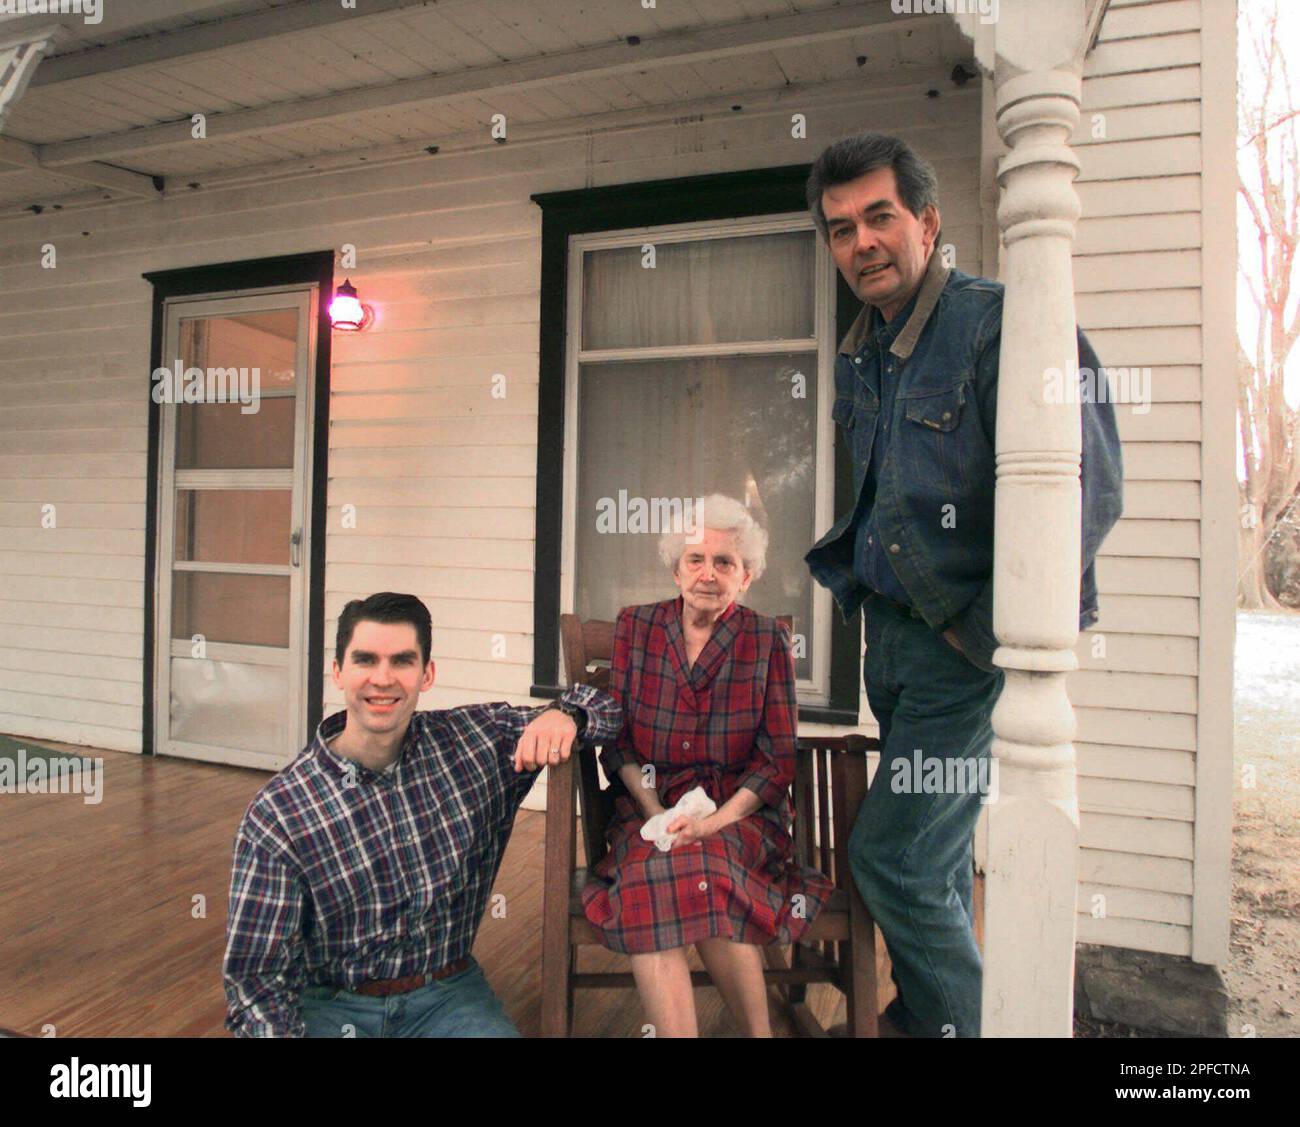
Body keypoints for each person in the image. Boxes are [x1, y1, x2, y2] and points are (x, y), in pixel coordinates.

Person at [804, 132, 1123, 1038]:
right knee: (936, 863)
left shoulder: (1003, 323)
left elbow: (1087, 493)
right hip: (892, 645)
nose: (861, 243)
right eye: (839, 229)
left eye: (879, 217)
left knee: (892, 856)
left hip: (962, 651)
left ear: (928, 222)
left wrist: (983, 631)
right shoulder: (863, 349)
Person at [223, 591, 620, 1037]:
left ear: (427, 674)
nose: (383, 678)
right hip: (330, 1005)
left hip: (446, 995)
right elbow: (255, 982)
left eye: (402, 661)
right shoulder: (280, 813)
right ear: (338, 671)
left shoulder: (474, 744)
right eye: (365, 660)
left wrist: (566, 715)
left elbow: (610, 706)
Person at [581, 495, 834, 1037]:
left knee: (707, 865)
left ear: (747, 577)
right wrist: (656, 813)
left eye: (726, 563)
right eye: (696, 559)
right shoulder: (637, 627)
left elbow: (776, 758)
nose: (708, 573)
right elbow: (619, 740)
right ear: (676, 568)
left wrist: (711, 823)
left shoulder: (767, 639)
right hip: (647, 805)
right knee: (656, 867)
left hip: (739, 813)